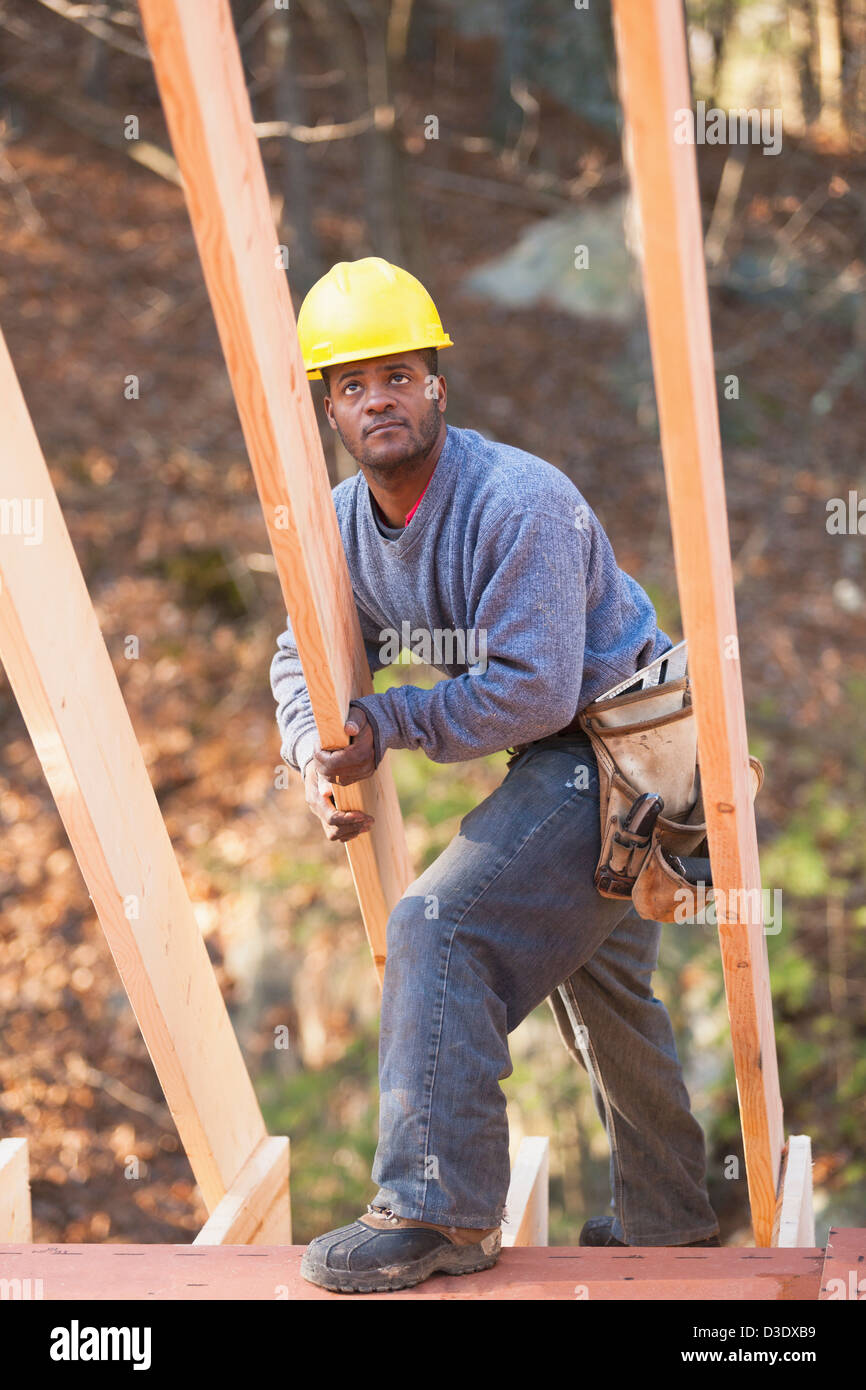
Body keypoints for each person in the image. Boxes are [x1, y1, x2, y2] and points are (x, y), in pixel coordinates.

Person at [270, 257, 720, 1295]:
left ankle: (438, 1208)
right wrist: (316, 752)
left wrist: (383, 720)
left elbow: (531, 690)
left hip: (624, 749)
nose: (376, 397)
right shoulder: (343, 525)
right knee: (604, 994)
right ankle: (670, 1224)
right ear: (330, 407)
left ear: (437, 383)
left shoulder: (515, 498)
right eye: (350, 383)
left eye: (397, 374)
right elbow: (300, 656)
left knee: (443, 925)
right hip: (568, 750)